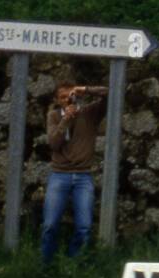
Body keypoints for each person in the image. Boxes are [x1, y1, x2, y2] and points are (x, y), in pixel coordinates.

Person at [41, 80, 108, 263]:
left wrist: (86, 88)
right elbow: (54, 144)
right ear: (57, 100)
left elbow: (111, 93)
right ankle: (46, 266)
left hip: (83, 175)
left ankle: (74, 265)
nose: (67, 100)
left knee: (84, 227)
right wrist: (66, 120)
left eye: (70, 95)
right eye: (62, 97)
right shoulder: (54, 116)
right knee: (50, 225)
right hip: (59, 174)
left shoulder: (89, 113)